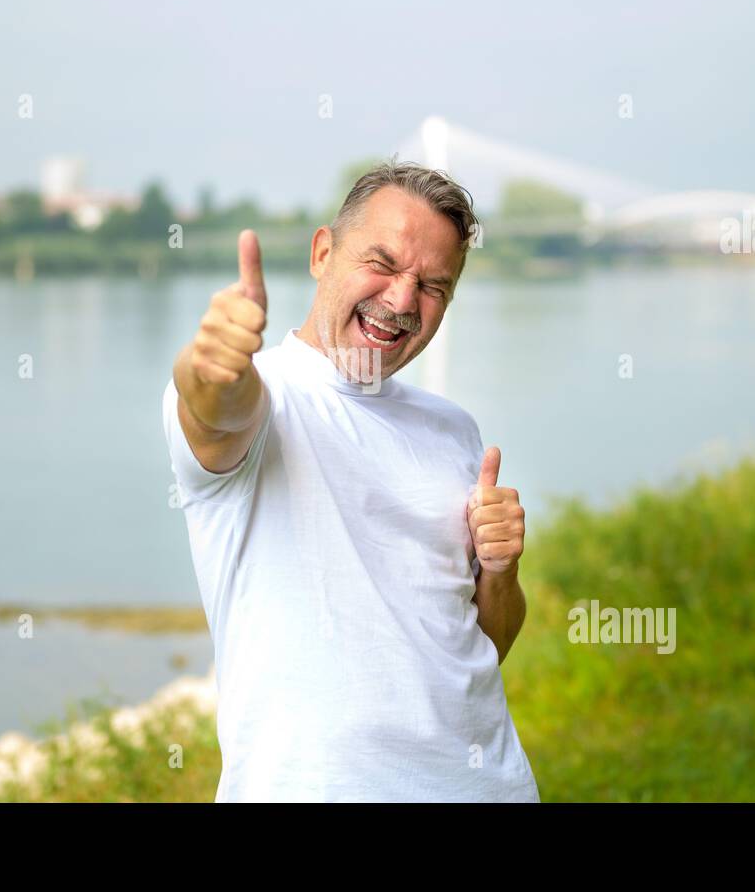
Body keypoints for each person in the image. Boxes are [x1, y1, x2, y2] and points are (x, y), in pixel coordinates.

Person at [162, 160, 539, 801]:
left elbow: (485, 645)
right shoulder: (268, 399)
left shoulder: (454, 431)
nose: (401, 300)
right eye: (383, 264)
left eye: (433, 286)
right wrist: (213, 365)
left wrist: (500, 571)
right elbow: (216, 408)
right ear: (322, 252)